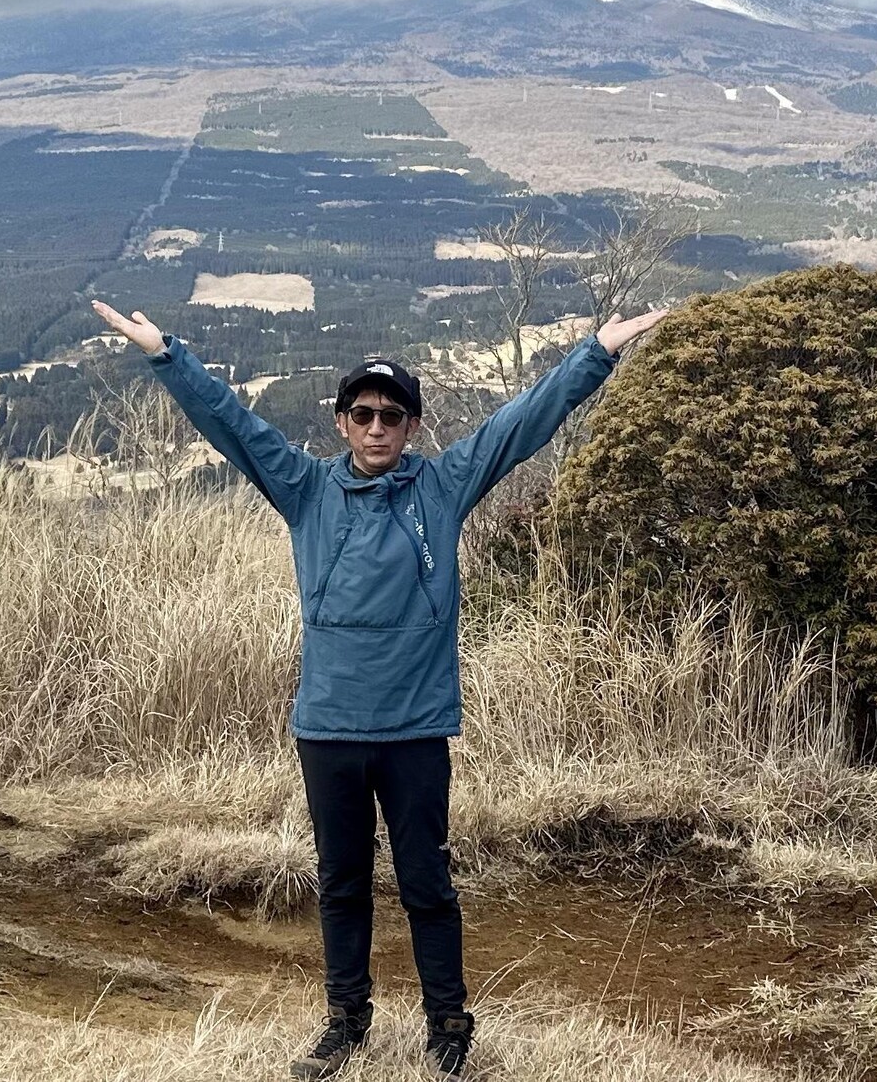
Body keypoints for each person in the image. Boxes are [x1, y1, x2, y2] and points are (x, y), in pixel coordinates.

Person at [91, 298, 666, 1079]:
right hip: (328, 728)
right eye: (361, 412)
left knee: (427, 881)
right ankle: (344, 1020)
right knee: (342, 881)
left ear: (411, 427)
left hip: (414, 730)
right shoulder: (303, 489)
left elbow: (523, 422)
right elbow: (231, 424)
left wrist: (596, 350)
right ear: (340, 421)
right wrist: (166, 353)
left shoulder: (441, 486)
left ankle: (448, 1024)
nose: (376, 426)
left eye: (392, 415)